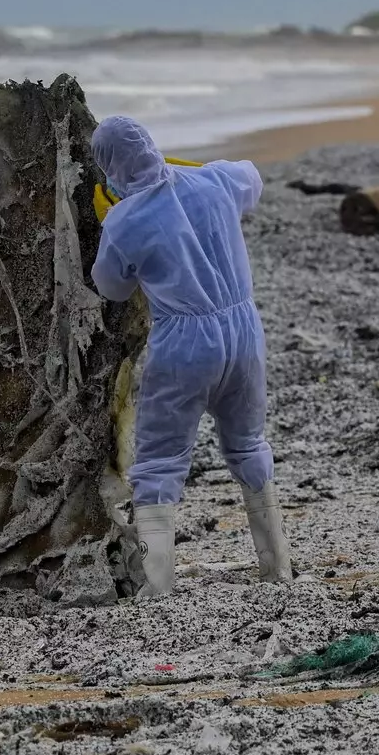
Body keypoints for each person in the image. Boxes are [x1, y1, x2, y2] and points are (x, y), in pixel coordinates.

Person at [89, 116, 290, 595]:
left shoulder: (124, 219)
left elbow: (111, 288)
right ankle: (277, 568)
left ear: (109, 168)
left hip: (185, 341)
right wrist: (195, 169)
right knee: (248, 444)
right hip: (245, 332)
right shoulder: (215, 179)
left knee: (160, 459)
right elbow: (253, 178)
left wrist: (111, 220)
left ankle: (158, 589)